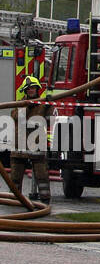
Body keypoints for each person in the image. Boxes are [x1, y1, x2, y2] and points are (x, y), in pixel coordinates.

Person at [11, 64, 53, 204]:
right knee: (15, 178)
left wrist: (49, 106)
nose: (31, 90)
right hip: (20, 148)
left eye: (33, 88)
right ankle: (14, 199)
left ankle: (45, 199)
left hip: (36, 146)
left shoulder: (42, 105)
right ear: (25, 90)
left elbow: (49, 120)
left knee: (42, 176)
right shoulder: (19, 104)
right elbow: (17, 117)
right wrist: (27, 105)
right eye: (28, 89)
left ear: (37, 89)